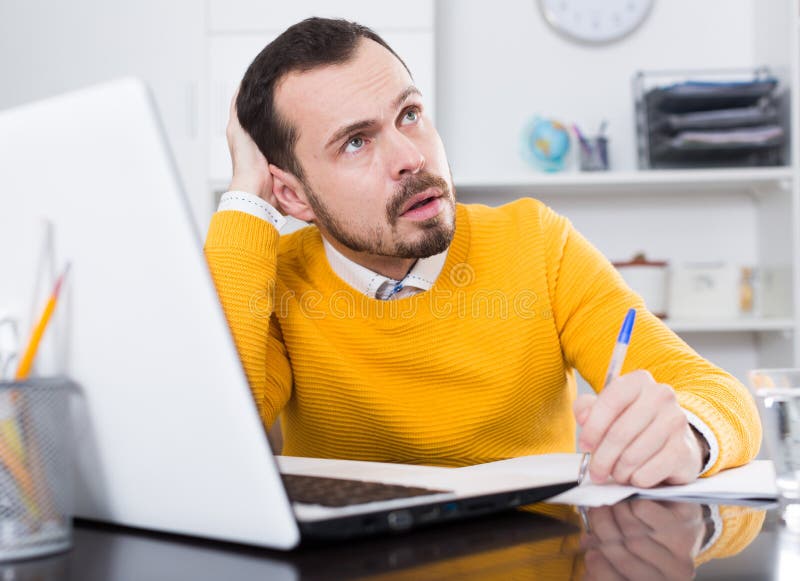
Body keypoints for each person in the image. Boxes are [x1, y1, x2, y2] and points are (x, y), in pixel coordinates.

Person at [204, 17, 761, 487]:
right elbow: (209, 441)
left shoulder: (538, 243)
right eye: (356, 141)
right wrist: (245, 198)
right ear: (293, 195)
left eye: (410, 115)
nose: (410, 158)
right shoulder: (271, 278)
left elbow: (718, 394)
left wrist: (686, 434)